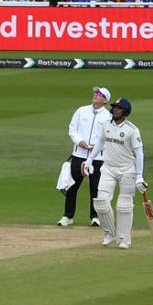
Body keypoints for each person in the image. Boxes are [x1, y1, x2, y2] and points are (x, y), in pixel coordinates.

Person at [84, 98, 147, 249]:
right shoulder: (106, 125)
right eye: (114, 108)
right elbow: (100, 142)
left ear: (125, 111)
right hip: (108, 168)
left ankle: (124, 238)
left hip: (127, 170)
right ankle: (109, 233)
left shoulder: (132, 130)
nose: (115, 110)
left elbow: (139, 154)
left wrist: (139, 177)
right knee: (101, 202)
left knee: (123, 206)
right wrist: (90, 159)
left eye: (119, 108)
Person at [59, 87, 112, 227]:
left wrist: (97, 147)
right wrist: (79, 142)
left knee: (96, 188)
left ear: (105, 100)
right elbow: (72, 129)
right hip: (79, 155)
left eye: (99, 94)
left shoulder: (108, 116)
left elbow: (109, 138)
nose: (95, 94)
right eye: (95, 92)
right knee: (72, 186)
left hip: (98, 158)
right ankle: (67, 216)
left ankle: (95, 217)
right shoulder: (81, 111)